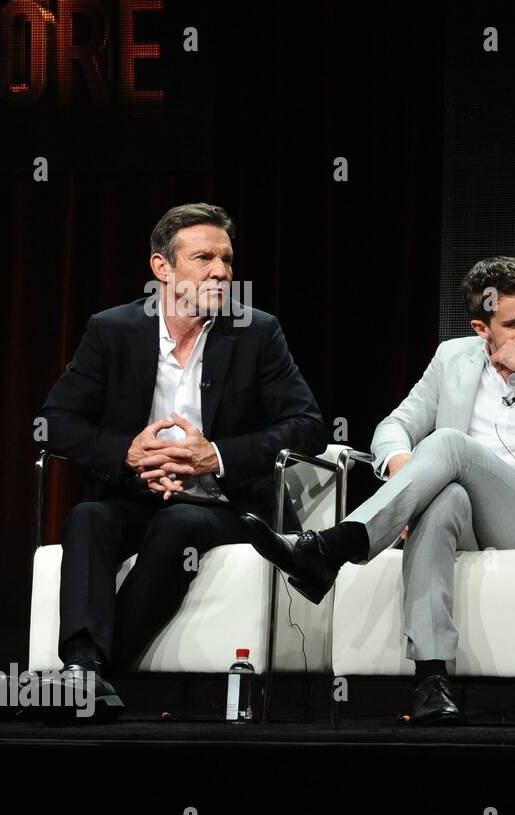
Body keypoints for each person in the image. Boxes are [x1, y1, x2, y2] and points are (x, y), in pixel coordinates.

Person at [242, 256, 515, 724]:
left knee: (448, 444)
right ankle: (431, 679)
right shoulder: (453, 359)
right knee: (444, 497)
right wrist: (404, 467)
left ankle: (334, 546)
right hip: (465, 513)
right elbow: (393, 426)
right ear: (481, 328)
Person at [36, 202, 327, 721]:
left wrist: (212, 455)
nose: (221, 271)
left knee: (180, 523)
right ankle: (83, 665)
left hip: (222, 504)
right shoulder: (113, 330)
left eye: (227, 259)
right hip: (135, 494)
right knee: (87, 517)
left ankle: (98, 673)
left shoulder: (257, 332)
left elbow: (306, 424)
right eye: (203, 259)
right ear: (162, 268)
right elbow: (54, 421)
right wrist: (127, 452)